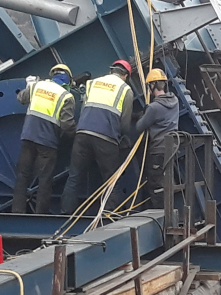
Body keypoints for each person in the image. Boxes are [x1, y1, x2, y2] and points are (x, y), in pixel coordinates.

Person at [61, 60, 134, 214]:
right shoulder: (125, 90)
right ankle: (108, 214)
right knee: (111, 179)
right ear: (125, 75)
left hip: (82, 134)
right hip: (106, 138)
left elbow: (85, 108)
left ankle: (66, 213)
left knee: (74, 176)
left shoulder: (92, 83)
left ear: (111, 70)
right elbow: (125, 125)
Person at [12, 63, 76, 214]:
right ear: (67, 80)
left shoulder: (37, 86)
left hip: (28, 137)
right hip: (47, 144)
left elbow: (21, 98)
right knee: (45, 180)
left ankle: (17, 212)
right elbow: (66, 125)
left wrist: (29, 85)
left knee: (22, 176)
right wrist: (76, 136)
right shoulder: (67, 96)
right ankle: (40, 214)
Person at [129, 68, 180, 209]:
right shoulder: (174, 101)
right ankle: (171, 212)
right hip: (172, 148)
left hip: (158, 150)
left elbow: (139, 127)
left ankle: (162, 217)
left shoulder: (154, 107)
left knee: (156, 185)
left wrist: (143, 115)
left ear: (152, 86)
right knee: (166, 182)